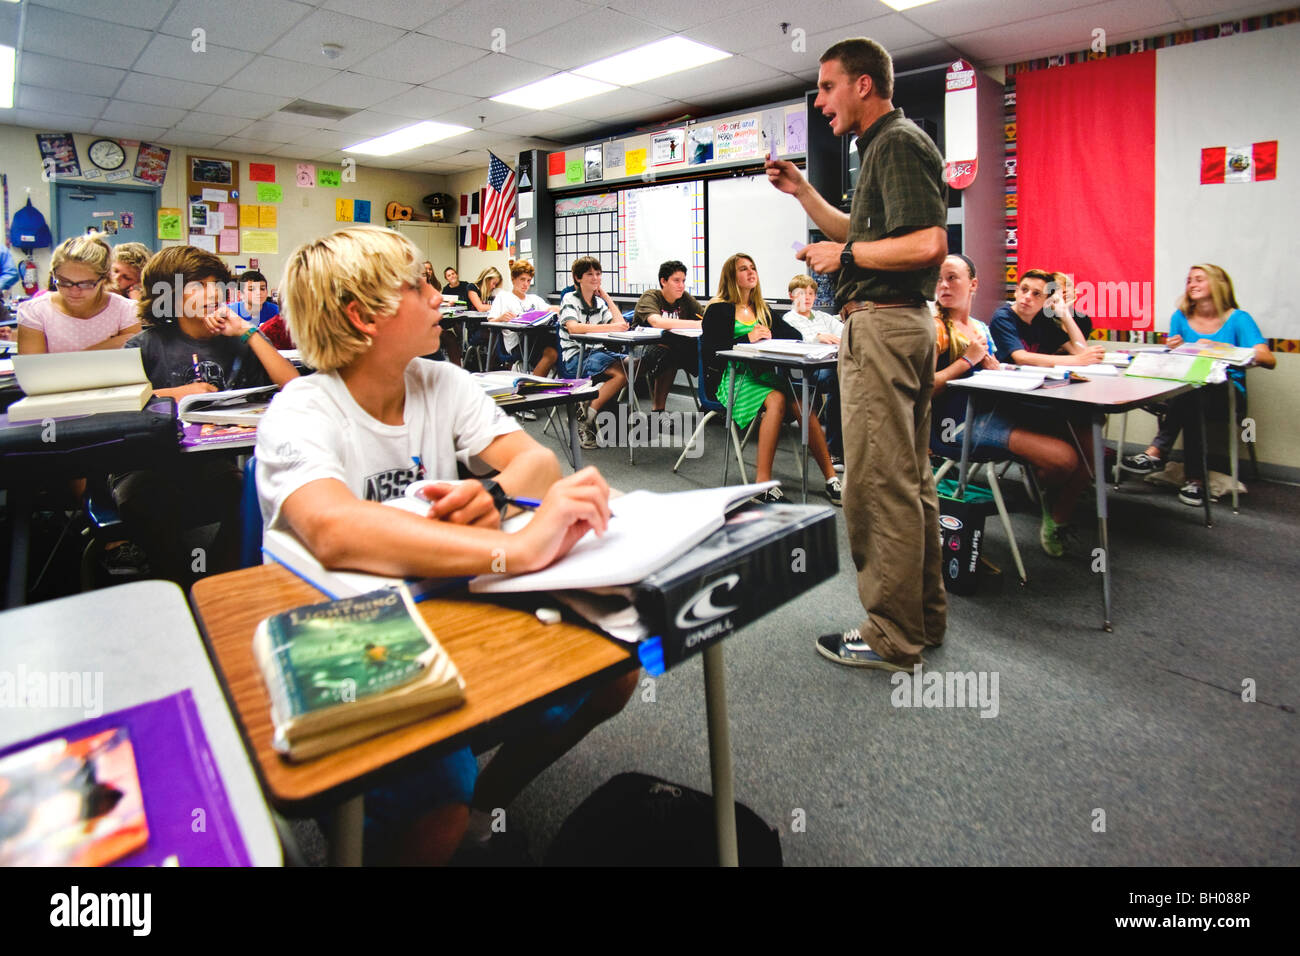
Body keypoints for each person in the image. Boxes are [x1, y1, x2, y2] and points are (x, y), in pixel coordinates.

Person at [256, 226, 634, 864]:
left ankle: (487, 803)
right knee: (436, 805)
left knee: (616, 672)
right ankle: (432, 818)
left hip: (442, 600)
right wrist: (514, 550)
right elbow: (333, 529)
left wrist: (492, 499)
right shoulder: (302, 408)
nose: (440, 297)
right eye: (420, 285)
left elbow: (537, 463)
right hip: (349, 630)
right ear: (361, 314)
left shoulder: (442, 382)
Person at [766, 36, 947, 671]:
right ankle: (921, 618)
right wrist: (804, 194)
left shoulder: (895, 142)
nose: (819, 102)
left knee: (876, 486)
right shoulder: (880, 148)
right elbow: (861, 230)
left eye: (826, 87)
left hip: (884, 329)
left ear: (862, 85)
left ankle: (892, 637)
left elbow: (928, 244)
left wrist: (841, 258)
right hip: (903, 329)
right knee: (910, 480)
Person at [111, 246, 299, 587]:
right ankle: (176, 585)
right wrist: (171, 395)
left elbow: (294, 387)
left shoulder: (234, 342)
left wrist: (248, 331)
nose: (212, 293)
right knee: (147, 507)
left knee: (251, 495)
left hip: (212, 466)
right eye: (196, 285)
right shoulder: (146, 345)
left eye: (216, 284)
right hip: (146, 468)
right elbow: (116, 406)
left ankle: (214, 582)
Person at [929, 255, 1090, 556]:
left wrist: (995, 369)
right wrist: (967, 361)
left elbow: (991, 372)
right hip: (957, 426)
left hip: (993, 411)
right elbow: (921, 389)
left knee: (1082, 435)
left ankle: (1055, 505)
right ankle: (1050, 500)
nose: (943, 285)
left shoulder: (979, 327)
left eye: (952, 278)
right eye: (939, 279)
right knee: (1065, 459)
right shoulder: (934, 328)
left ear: (973, 284)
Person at [1119, 263, 1275, 505]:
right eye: (1189, 280)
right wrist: (1175, 348)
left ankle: (1157, 452)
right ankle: (1194, 481)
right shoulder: (1180, 318)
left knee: (1194, 395)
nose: (1192, 284)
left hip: (1226, 395)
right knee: (1192, 393)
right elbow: (1177, 360)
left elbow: (1268, 359)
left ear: (1219, 284)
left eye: (1199, 279)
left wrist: (1220, 349)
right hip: (1186, 391)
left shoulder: (1238, 319)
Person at [701, 253, 841, 504]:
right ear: (731, 277)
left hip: (763, 377)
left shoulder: (761, 308)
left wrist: (771, 337)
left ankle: (831, 479)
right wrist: (747, 339)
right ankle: (762, 485)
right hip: (732, 379)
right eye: (743, 269)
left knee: (801, 401)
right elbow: (711, 351)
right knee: (776, 399)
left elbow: (792, 334)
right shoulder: (718, 309)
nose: (750, 272)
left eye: (753, 267)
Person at [16, 234, 140, 353]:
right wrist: (105, 347)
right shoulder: (35, 311)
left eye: (86, 284)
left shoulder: (125, 310)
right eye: (64, 282)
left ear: (104, 280)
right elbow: (35, 370)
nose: (74, 291)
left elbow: (131, 365)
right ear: (54, 275)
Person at [558, 256, 630, 450]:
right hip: (576, 357)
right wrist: (611, 328)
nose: (595, 278)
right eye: (589, 274)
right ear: (577, 278)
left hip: (598, 354)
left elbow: (620, 324)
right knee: (621, 373)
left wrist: (605, 297)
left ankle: (589, 402)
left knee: (635, 363)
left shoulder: (599, 302)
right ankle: (586, 418)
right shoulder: (569, 299)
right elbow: (573, 328)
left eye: (598, 274)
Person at [783, 273, 844, 462]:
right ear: (791, 296)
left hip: (830, 364)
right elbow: (792, 343)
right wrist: (816, 339)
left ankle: (848, 441)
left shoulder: (823, 317)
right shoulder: (788, 319)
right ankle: (834, 450)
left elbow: (844, 333)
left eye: (811, 293)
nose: (807, 297)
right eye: (801, 293)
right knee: (836, 381)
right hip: (804, 370)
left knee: (849, 378)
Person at [989, 269, 1105, 367]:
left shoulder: (1042, 319)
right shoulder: (1003, 317)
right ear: (1016, 292)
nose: (1028, 296)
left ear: (1047, 300)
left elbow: (1080, 350)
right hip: (1008, 384)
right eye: (1024, 289)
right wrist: (1078, 360)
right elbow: (1021, 357)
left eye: (1036, 293)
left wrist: (1065, 314)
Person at [633, 259, 704, 413]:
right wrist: (696, 324)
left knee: (706, 354)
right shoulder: (651, 296)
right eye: (676, 280)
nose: (681, 285)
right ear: (663, 281)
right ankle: (658, 410)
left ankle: (710, 403)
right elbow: (657, 322)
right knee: (669, 354)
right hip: (642, 346)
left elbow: (705, 319)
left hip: (674, 347)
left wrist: (701, 323)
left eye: (683, 281)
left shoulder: (684, 298)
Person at [487, 259, 558, 376]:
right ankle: (532, 386)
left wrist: (559, 309)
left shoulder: (534, 298)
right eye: (522, 280)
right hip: (517, 343)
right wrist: (500, 318)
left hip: (535, 338)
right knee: (552, 353)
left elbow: (551, 309)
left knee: (559, 344)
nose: (526, 284)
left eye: (529, 280)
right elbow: (490, 323)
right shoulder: (503, 297)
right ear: (513, 279)